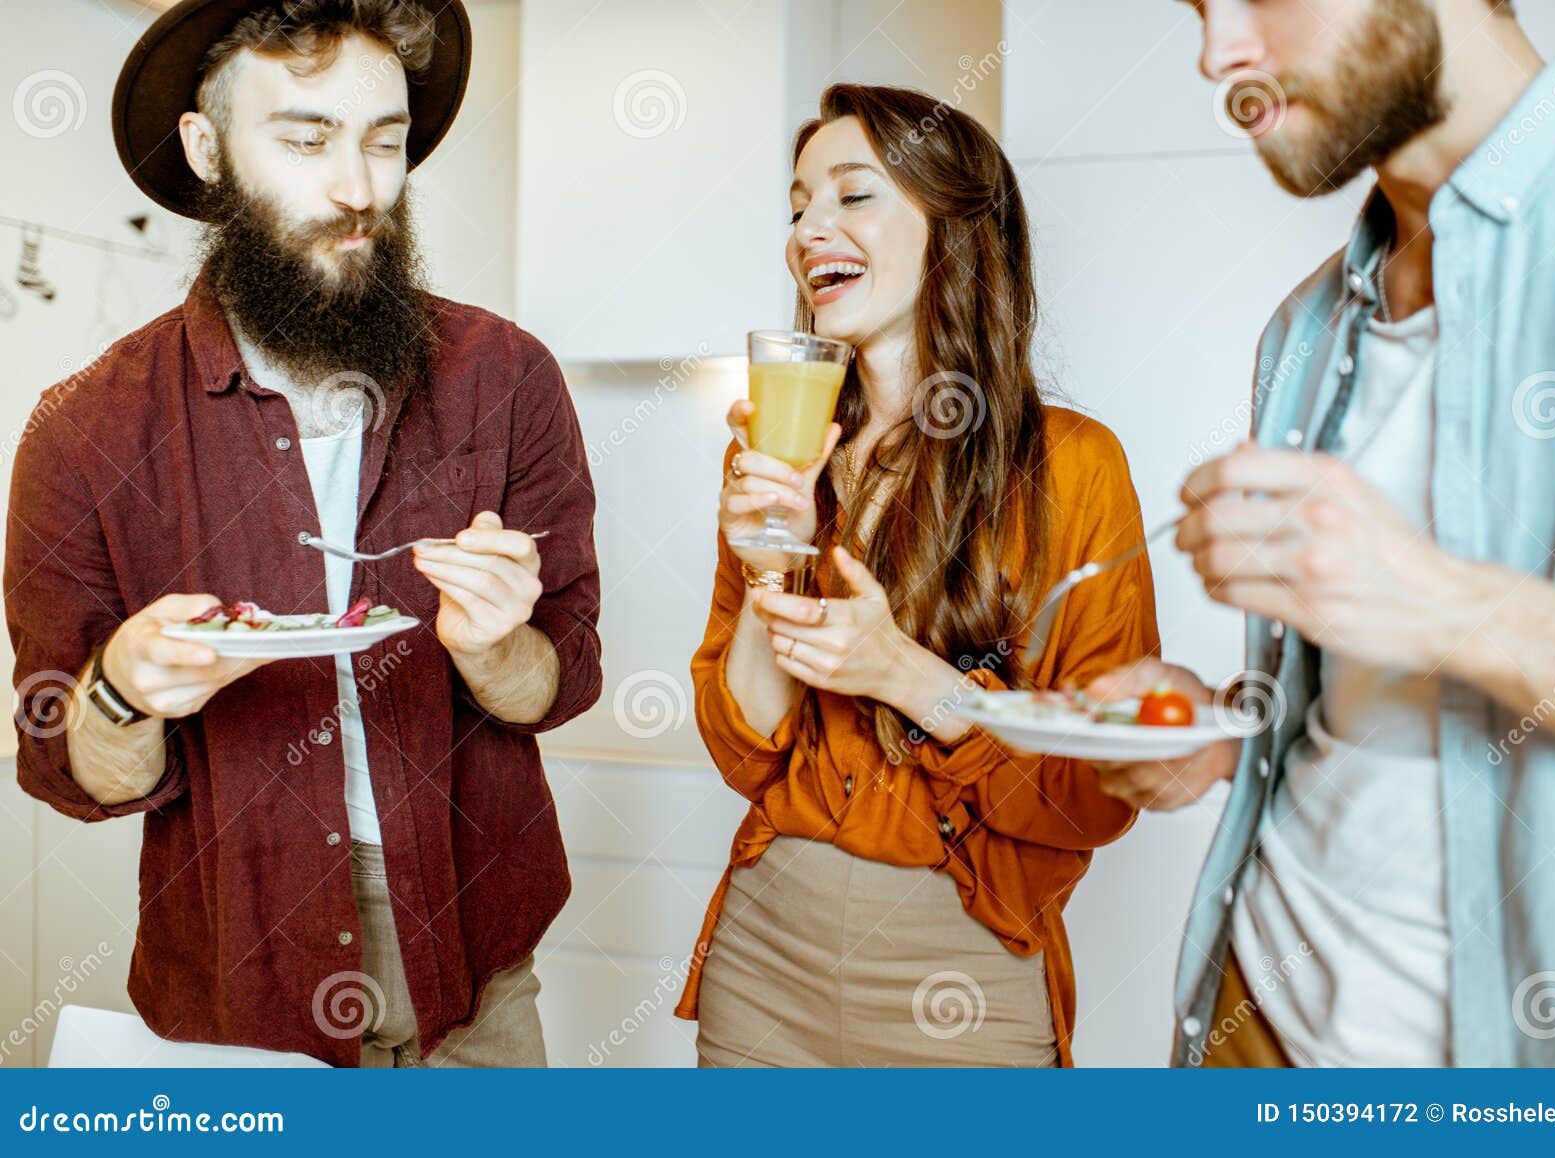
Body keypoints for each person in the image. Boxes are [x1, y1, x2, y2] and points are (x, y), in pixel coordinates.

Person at [6, 0, 601, 1067]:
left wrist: (498, 647)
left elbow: (561, 681)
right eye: (306, 138)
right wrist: (121, 688)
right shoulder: (83, 427)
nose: (358, 188)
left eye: (385, 141)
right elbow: (71, 769)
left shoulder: (506, 378)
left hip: (479, 979)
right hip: (239, 988)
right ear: (207, 147)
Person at [1085, 0, 1555, 1065]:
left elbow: (1433, 616)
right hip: (1250, 1016)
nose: (1216, 53)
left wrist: (1448, 606)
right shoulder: (1309, 324)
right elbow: (1374, 717)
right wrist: (1225, 734)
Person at [674, 84, 1161, 1067]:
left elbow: (1100, 790)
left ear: (955, 226)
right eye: (797, 204)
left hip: (964, 968)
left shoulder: (1075, 467)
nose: (809, 228)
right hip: (764, 957)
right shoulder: (773, 452)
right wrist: (770, 571)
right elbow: (745, 758)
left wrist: (905, 676)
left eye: (852, 196)